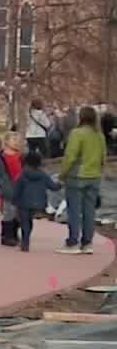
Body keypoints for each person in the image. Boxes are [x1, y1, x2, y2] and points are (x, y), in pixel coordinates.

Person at [57, 104, 105, 254]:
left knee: (74, 211)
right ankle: (87, 243)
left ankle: (72, 242)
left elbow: (70, 156)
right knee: (89, 211)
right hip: (94, 175)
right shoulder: (99, 135)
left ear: (81, 117)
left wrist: (62, 174)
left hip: (77, 175)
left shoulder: (77, 133)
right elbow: (103, 157)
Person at [9, 147, 62, 253]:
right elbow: (53, 187)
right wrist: (60, 184)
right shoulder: (43, 174)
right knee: (29, 221)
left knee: (25, 222)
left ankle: (25, 243)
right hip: (39, 202)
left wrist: (14, 200)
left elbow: (17, 189)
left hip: (23, 202)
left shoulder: (23, 174)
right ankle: (26, 240)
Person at [0, 136, 22, 246]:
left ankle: (14, 233)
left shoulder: (21, 156)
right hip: (8, 187)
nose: (17, 142)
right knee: (9, 212)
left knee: (18, 213)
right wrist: (3, 185)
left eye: (18, 140)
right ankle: (7, 236)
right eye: (14, 139)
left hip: (21, 188)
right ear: (7, 142)